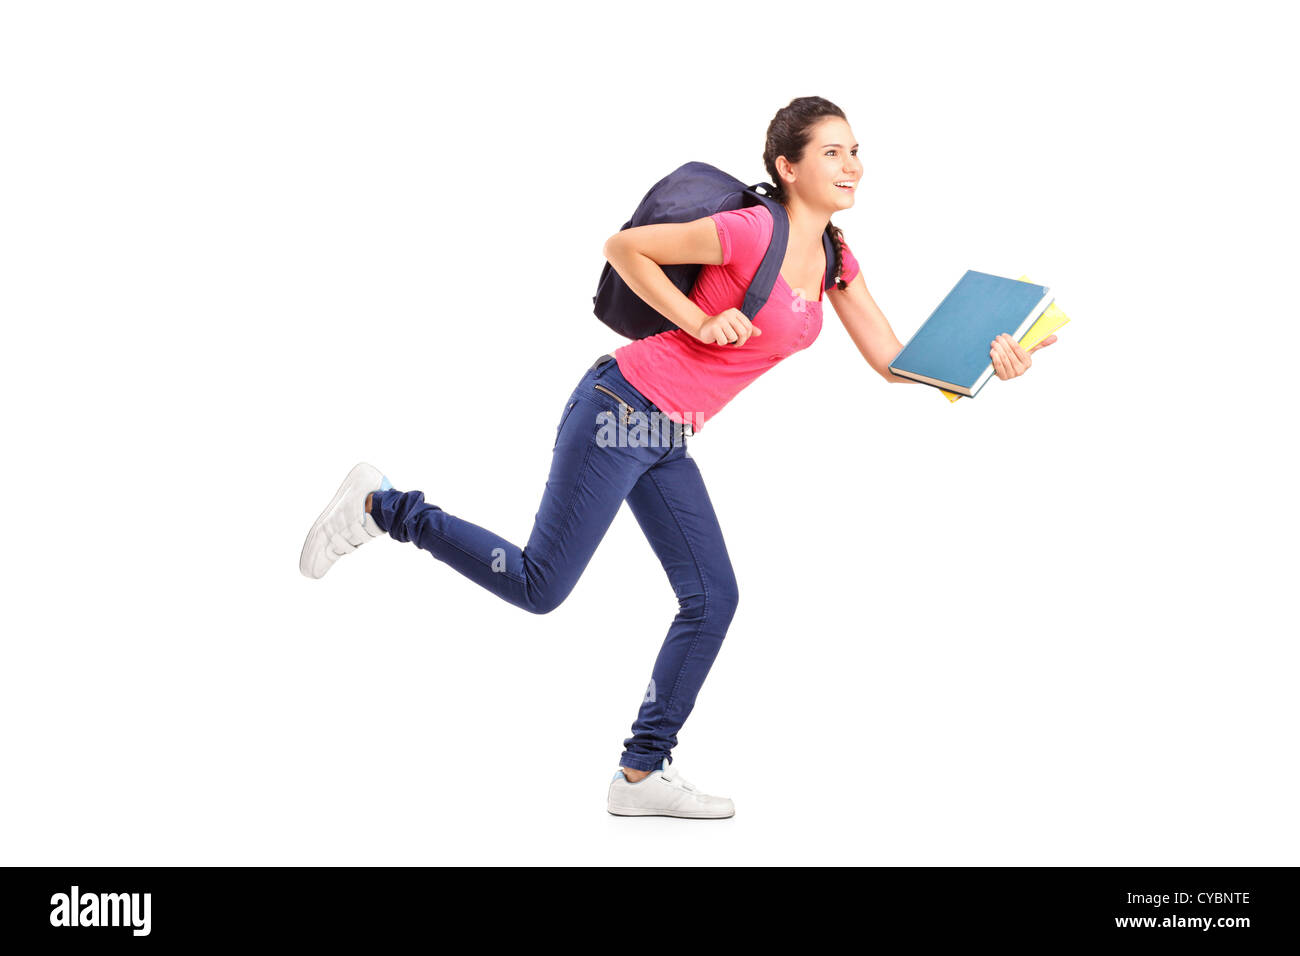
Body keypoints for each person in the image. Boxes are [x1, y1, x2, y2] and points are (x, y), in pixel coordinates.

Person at [298, 96, 1057, 820]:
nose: (852, 163)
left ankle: (640, 773)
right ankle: (384, 507)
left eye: (856, 151)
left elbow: (894, 362)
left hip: (664, 435)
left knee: (712, 597)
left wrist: (997, 356)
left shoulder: (834, 258)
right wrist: (699, 316)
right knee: (539, 585)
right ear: (789, 166)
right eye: (833, 152)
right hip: (621, 409)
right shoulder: (750, 232)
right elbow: (624, 249)